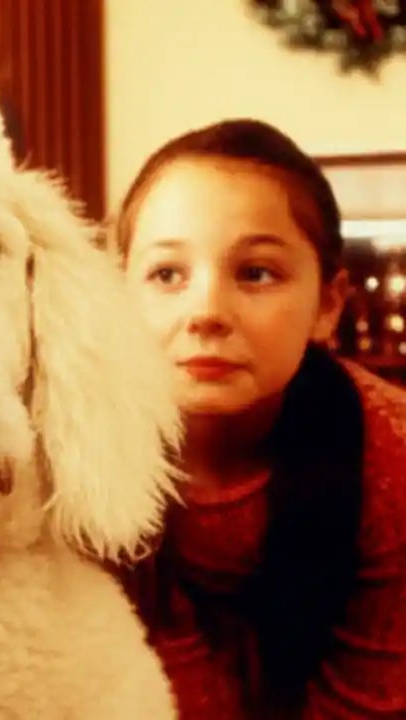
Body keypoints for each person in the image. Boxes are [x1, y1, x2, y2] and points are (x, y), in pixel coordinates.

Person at [115, 118, 406, 718]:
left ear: (328, 304)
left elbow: (372, 699)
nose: (206, 312)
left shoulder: (390, 455)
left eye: (256, 273)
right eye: (167, 274)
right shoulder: (75, 445)